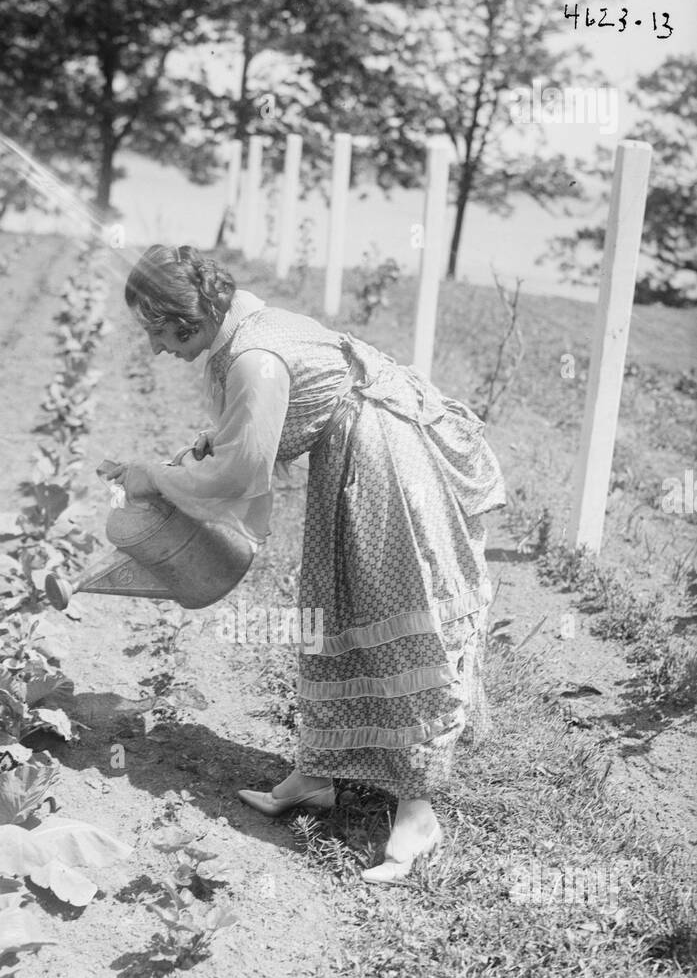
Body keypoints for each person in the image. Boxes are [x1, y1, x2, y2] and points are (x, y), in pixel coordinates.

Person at [110, 244, 506, 884]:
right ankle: (317, 778)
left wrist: (153, 475)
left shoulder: (255, 357)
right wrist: (200, 452)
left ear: (189, 314)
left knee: (398, 619)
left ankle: (418, 811)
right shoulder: (251, 329)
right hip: (356, 463)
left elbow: (241, 471)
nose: (156, 347)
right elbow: (257, 433)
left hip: (384, 469)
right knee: (334, 611)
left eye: (157, 329)